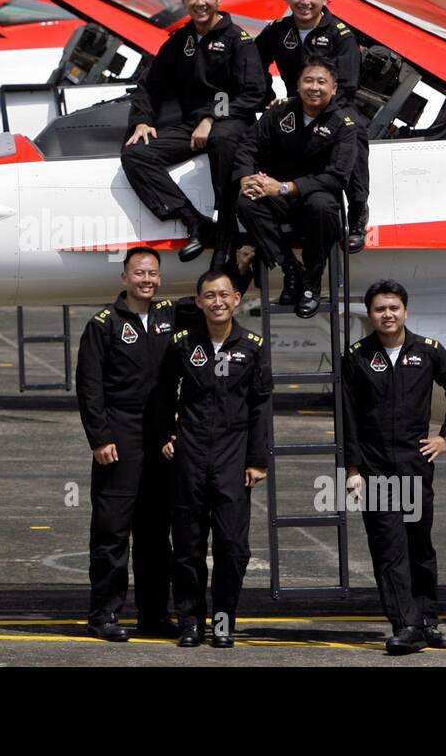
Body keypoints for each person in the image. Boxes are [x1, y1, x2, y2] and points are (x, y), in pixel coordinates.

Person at [341, 280, 446, 655]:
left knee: (419, 547)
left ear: (405, 311)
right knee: (388, 548)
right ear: (370, 314)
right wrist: (352, 469)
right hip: (375, 468)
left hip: (416, 467)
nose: (387, 315)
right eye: (380, 309)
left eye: (393, 308)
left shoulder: (428, 352)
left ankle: (428, 619)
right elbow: (347, 417)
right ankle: (405, 624)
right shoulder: (356, 356)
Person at [75, 246, 191, 641]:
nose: (146, 279)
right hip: (119, 436)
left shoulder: (170, 316)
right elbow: (89, 387)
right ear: (124, 278)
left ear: (160, 279)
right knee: (111, 531)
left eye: (153, 274)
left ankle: (154, 615)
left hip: (160, 438)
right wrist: (100, 437)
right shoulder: (103, 324)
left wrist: (242, 263)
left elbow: (219, 297)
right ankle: (103, 616)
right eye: (139, 273)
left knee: (157, 534)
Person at [122, 0, 267, 268]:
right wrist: (142, 120)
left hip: (231, 122)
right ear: (183, 0)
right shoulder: (179, 42)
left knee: (224, 140)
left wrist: (212, 117)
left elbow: (253, 93)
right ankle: (195, 221)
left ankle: (226, 237)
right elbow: (149, 86)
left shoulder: (240, 41)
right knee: (136, 152)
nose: (200, 2)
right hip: (190, 126)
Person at [158, 268, 272, 648]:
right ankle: (190, 620)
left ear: (236, 299)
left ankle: (223, 622)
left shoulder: (253, 346)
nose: (217, 302)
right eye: (209, 295)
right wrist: (166, 434)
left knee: (232, 548)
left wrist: (258, 460)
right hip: (190, 457)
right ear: (199, 301)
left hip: (233, 459)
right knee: (188, 547)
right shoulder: (181, 344)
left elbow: (261, 406)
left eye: (224, 295)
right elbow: (161, 394)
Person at [255, 0, 370, 254]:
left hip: (335, 107)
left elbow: (346, 86)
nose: (305, 2)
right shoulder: (278, 31)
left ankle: (357, 212)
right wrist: (267, 96)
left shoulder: (341, 35)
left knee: (353, 132)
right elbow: (252, 63)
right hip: (294, 105)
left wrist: (320, 116)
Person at [233, 58, 358, 319]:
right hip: (276, 195)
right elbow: (248, 146)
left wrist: (285, 187)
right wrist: (247, 179)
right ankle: (290, 267)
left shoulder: (344, 125)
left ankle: (311, 283)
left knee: (322, 207)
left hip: (314, 197)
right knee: (245, 202)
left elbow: (337, 177)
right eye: (308, 81)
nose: (314, 87)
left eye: (321, 82)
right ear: (298, 86)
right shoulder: (280, 113)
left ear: (333, 88)